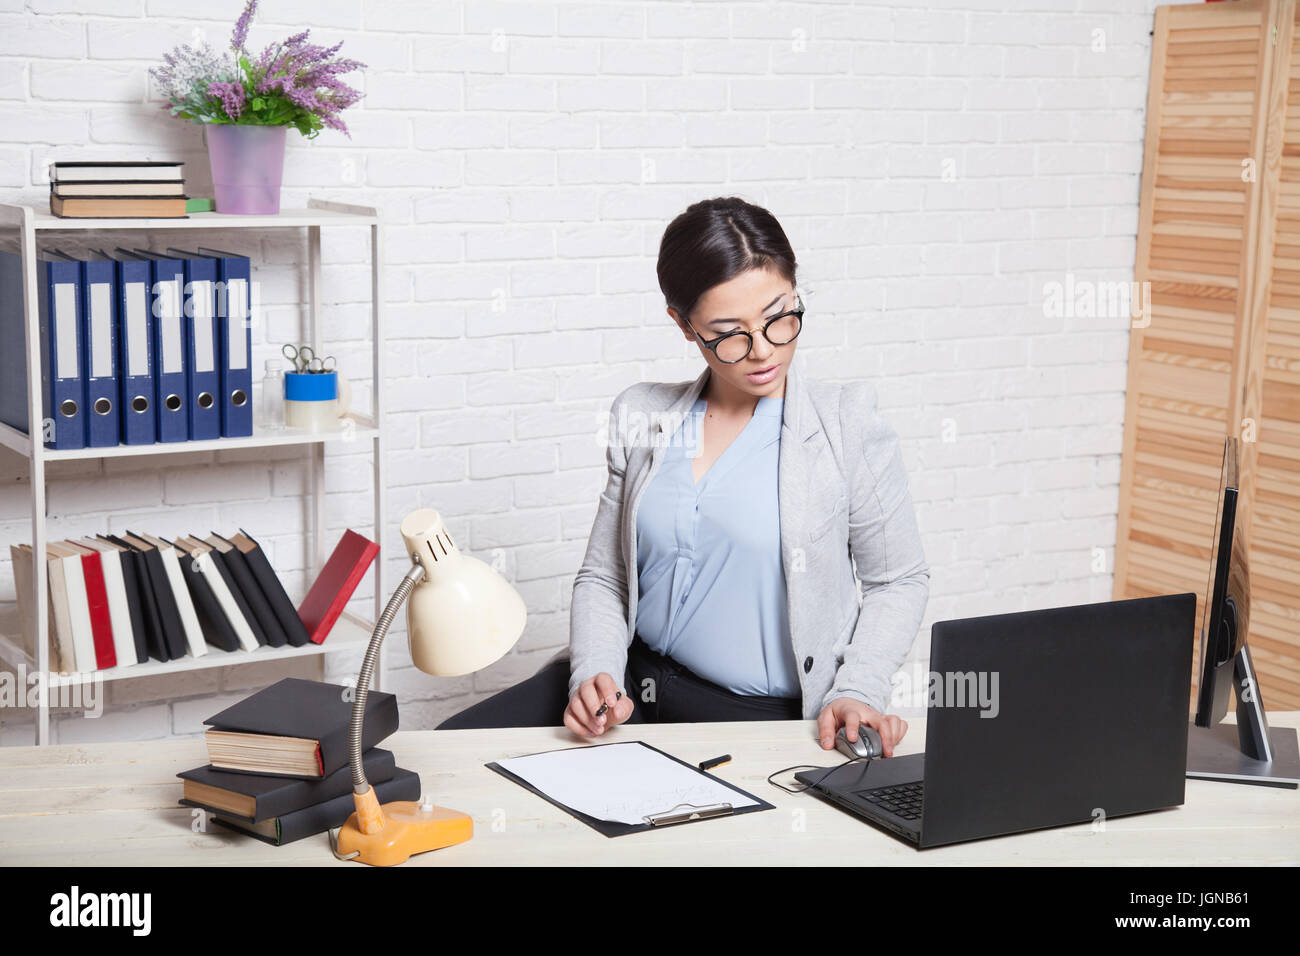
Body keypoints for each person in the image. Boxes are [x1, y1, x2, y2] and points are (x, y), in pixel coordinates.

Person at [438, 196, 930, 754]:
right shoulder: (643, 416)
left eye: (779, 318)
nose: (763, 351)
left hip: (748, 716)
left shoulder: (847, 424)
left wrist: (859, 688)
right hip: (628, 690)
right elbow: (605, 575)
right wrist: (593, 672)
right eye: (730, 332)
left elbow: (899, 579)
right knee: (446, 754)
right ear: (685, 325)